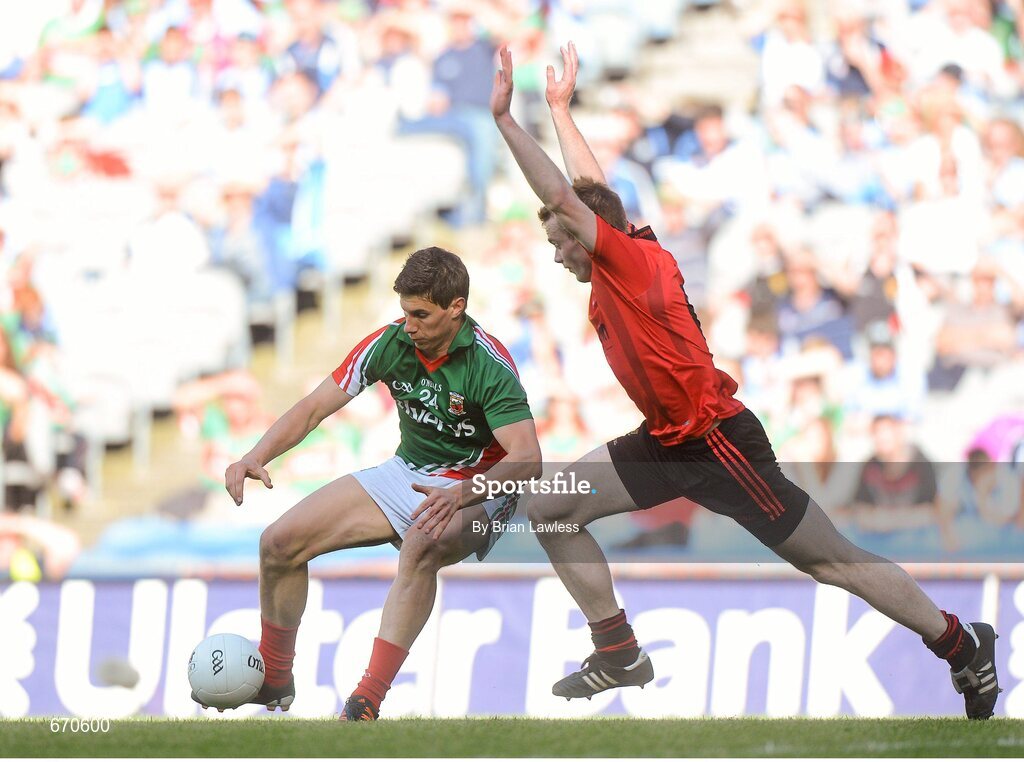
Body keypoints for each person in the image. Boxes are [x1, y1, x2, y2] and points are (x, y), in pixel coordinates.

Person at [491, 42, 1000, 720]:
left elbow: (565, 194)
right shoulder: (627, 249)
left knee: (832, 562)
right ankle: (617, 651)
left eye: (560, 242)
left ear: (590, 238)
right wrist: (560, 107)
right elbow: (593, 193)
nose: (556, 256)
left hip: (717, 445)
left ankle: (961, 643)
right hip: (665, 445)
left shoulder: (630, 268)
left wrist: (508, 120)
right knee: (551, 508)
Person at [194, 247, 541, 720]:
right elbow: (315, 406)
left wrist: (461, 493)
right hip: (406, 473)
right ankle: (275, 679)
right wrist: (256, 455)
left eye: (420, 314)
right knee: (278, 543)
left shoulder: (488, 364)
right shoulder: (390, 343)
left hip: (480, 488)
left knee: (420, 545)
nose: (409, 325)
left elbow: (527, 459)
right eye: (404, 312)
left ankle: (365, 701)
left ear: (456, 308)